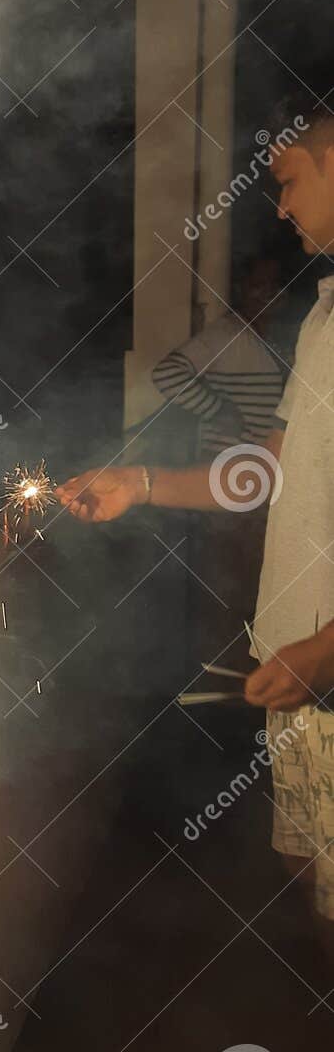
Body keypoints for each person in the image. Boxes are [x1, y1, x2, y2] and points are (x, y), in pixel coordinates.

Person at [57, 101, 334, 950]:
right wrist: (139, 483)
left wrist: (326, 652)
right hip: (296, 666)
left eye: (289, 181)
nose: (279, 207)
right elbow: (265, 471)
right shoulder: (323, 316)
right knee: (306, 867)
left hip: (321, 662)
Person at [151, 256, 285, 456]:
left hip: (263, 464)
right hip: (225, 464)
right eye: (258, 285)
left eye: (275, 284)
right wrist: (218, 411)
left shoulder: (281, 337)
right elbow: (166, 374)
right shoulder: (226, 333)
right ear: (241, 289)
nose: (268, 292)